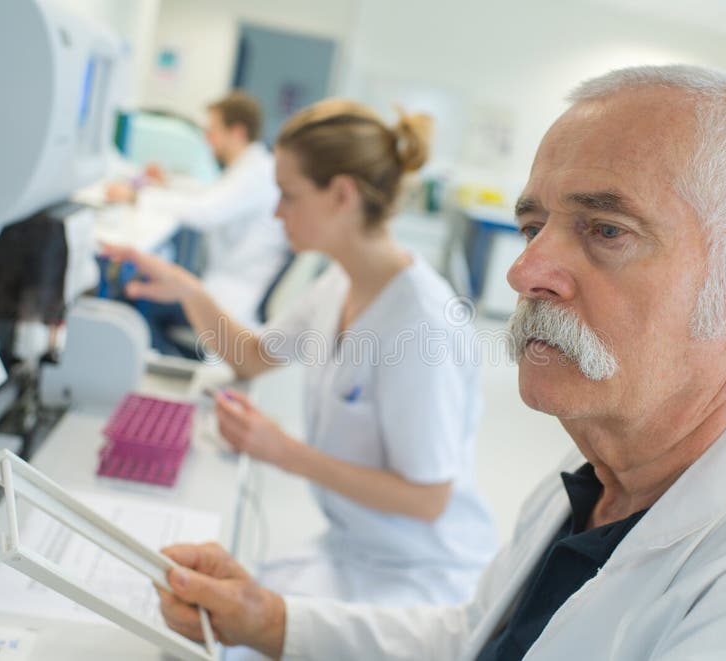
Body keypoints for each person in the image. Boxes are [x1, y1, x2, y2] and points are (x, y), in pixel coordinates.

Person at [150, 65, 726, 660]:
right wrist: (271, 621)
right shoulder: (601, 467)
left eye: (606, 229)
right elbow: (474, 640)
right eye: (533, 227)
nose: (524, 270)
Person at [102, 99, 497, 608]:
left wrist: (282, 451)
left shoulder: (420, 324)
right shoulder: (339, 283)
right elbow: (249, 357)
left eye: (288, 195)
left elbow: (428, 498)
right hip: (355, 547)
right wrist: (186, 289)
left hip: (419, 577)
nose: (276, 212)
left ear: (342, 195)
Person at [107, 91, 289, 338]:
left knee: (131, 297)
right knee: (140, 288)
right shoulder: (251, 166)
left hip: (229, 299)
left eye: (213, 131)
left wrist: (136, 197)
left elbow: (206, 212)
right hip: (222, 285)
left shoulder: (256, 174)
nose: (207, 139)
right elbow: (209, 194)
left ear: (237, 132)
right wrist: (165, 184)